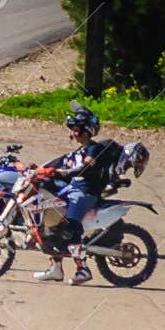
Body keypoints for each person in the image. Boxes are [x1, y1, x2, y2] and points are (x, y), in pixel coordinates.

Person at [29, 105, 122, 284]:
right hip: (72, 190)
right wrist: (38, 170)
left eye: (78, 129)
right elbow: (59, 163)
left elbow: (85, 166)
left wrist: (65, 173)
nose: (74, 133)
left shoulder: (93, 149)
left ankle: (83, 270)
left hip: (85, 192)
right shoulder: (76, 152)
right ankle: (55, 269)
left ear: (88, 131)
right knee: (52, 229)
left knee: (70, 229)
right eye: (73, 129)